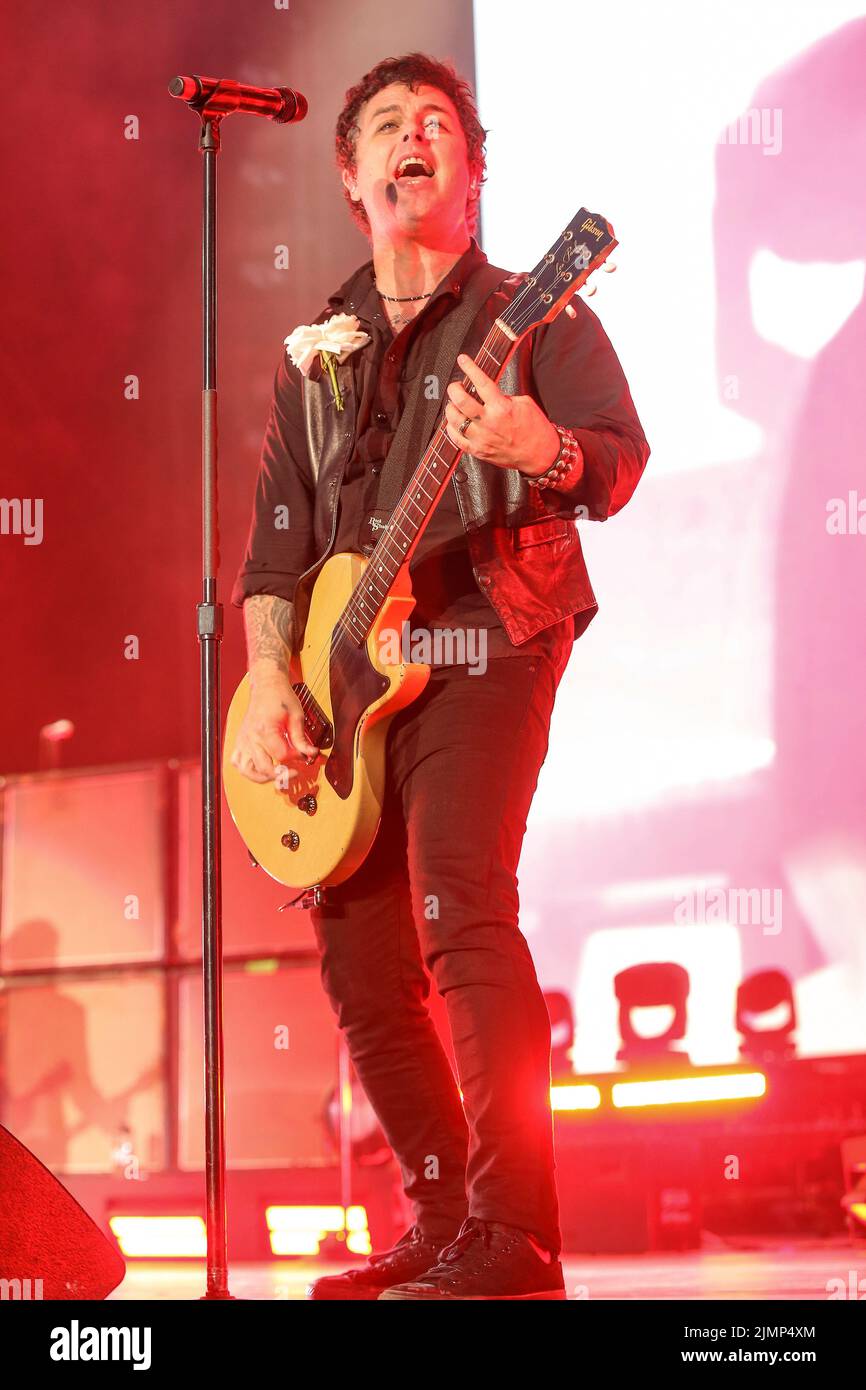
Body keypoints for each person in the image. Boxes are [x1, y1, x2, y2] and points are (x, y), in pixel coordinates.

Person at [230, 52, 649, 1300]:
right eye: (386, 128)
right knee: (361, 963)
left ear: (472, 173)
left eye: (439, 126)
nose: (415, 137)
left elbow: (614, 463)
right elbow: (274, 553)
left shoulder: (538, 311)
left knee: (458, 900)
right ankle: (439, 1216)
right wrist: (268, 678)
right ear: (352, 176)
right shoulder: (318, 355)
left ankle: (513, 1235)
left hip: (488, 631)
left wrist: (540, 444)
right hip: (349, 678)